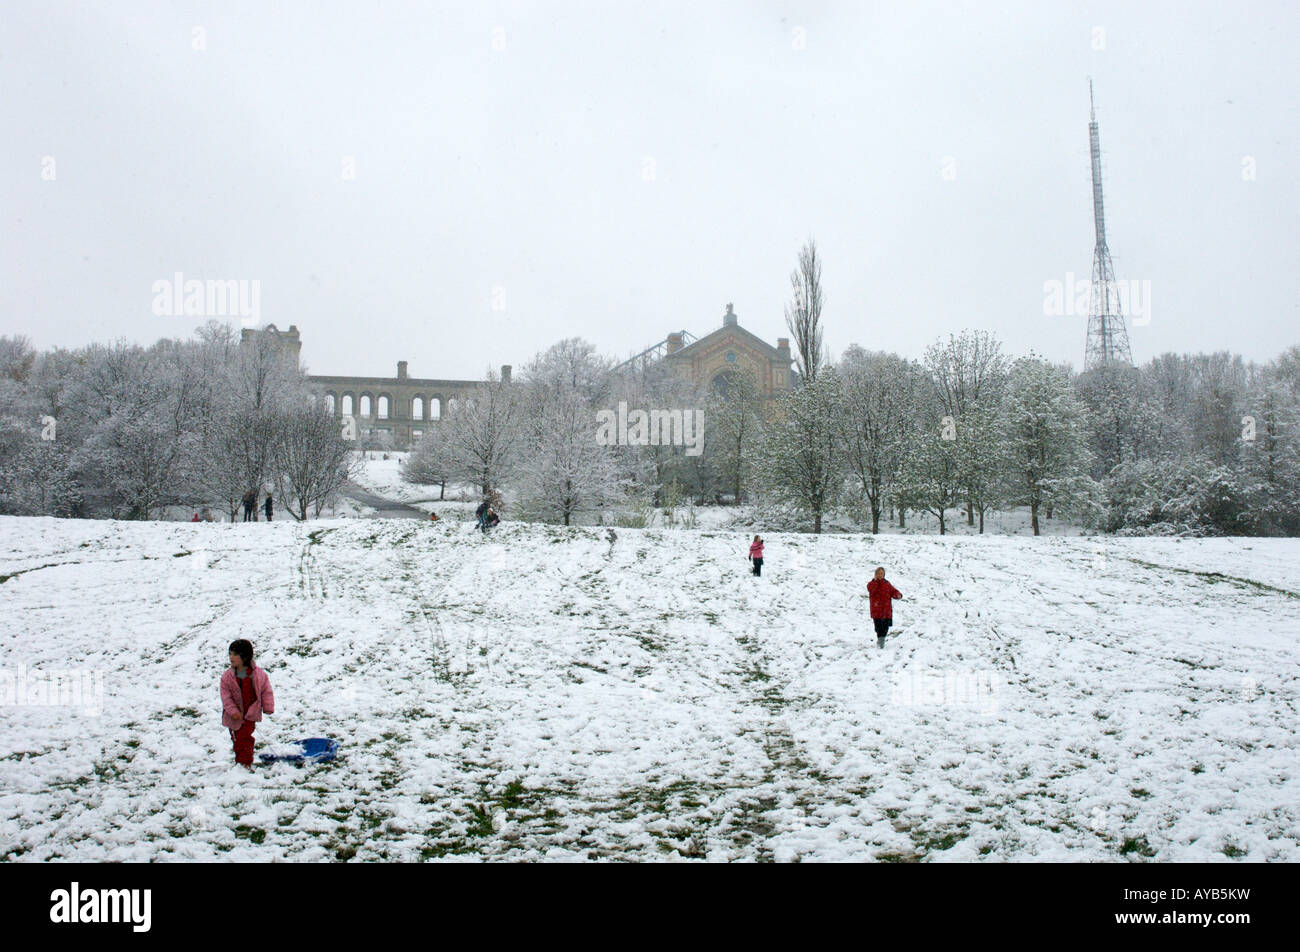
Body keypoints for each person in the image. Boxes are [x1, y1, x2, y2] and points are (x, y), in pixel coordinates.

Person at [220, 639, 275, 769]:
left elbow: (266, 690)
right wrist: (233, 711)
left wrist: (268, 706)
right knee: (238, 740)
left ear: (244, 656)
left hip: (250, 714)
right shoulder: (228, 677)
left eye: (235, 654)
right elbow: (226, 697)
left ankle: (244, 763)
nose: (231, 657)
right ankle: (242, 762)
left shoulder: (258, 674)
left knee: (245, 738)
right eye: (230, 654)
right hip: (234, 717)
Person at [867, 566, 902, 648]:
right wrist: (876, 581)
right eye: (878, 573)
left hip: (886, 610)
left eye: (882, 573)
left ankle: (881, 641)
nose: (880, 575)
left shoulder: (887, 584)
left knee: (885, 627)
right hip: (876, 610)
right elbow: (872, 590)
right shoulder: (871, 584)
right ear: (875, 574)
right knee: (878, 628)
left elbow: (893, 591)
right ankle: (880, 642)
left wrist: (897, 595)